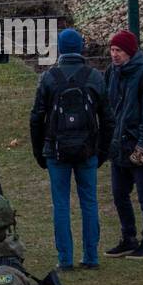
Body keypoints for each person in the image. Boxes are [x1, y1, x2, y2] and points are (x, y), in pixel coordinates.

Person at [29, 27, 111, 270]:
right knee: (89, 202)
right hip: (88, 150)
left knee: (61, 204)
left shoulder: (48, 78)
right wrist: (102, 151)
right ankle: (91, 257)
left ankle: (65, 259)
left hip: (56, 150)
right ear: (81, 48)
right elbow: (108, 119)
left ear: (60, 49)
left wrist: (39, 152)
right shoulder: (95, 77)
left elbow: (36, 118)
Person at [105, 29, 143, 260]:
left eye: (118, 50)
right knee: (119, 195)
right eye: (112, 50)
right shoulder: (111, 73)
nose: (114, 54)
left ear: (129, 51)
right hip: (118, 147)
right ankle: (128, 238)